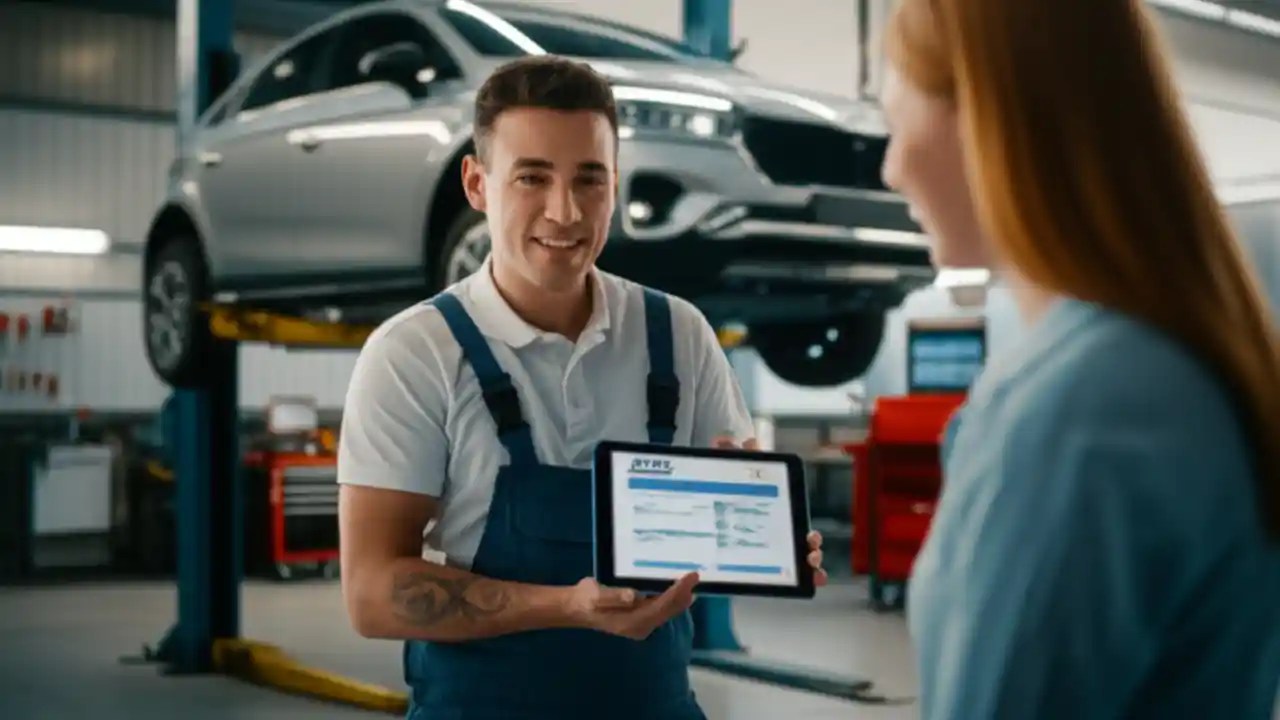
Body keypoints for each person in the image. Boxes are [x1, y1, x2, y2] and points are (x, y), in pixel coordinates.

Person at [335, 56, 826, 719]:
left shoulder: (677, 335)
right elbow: (370, 593)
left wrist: (762, 543)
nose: (564, 212)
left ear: (616, 186)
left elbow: (714, 531)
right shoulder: (414, 353)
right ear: (478, 184)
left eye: (589, 180)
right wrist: (567, 607)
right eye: (532, 177)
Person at [877, 0, 1280, 718]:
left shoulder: (1080, 406)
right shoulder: (1167, 362)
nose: (891, 168)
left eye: (895, 120)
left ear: (985, 113)